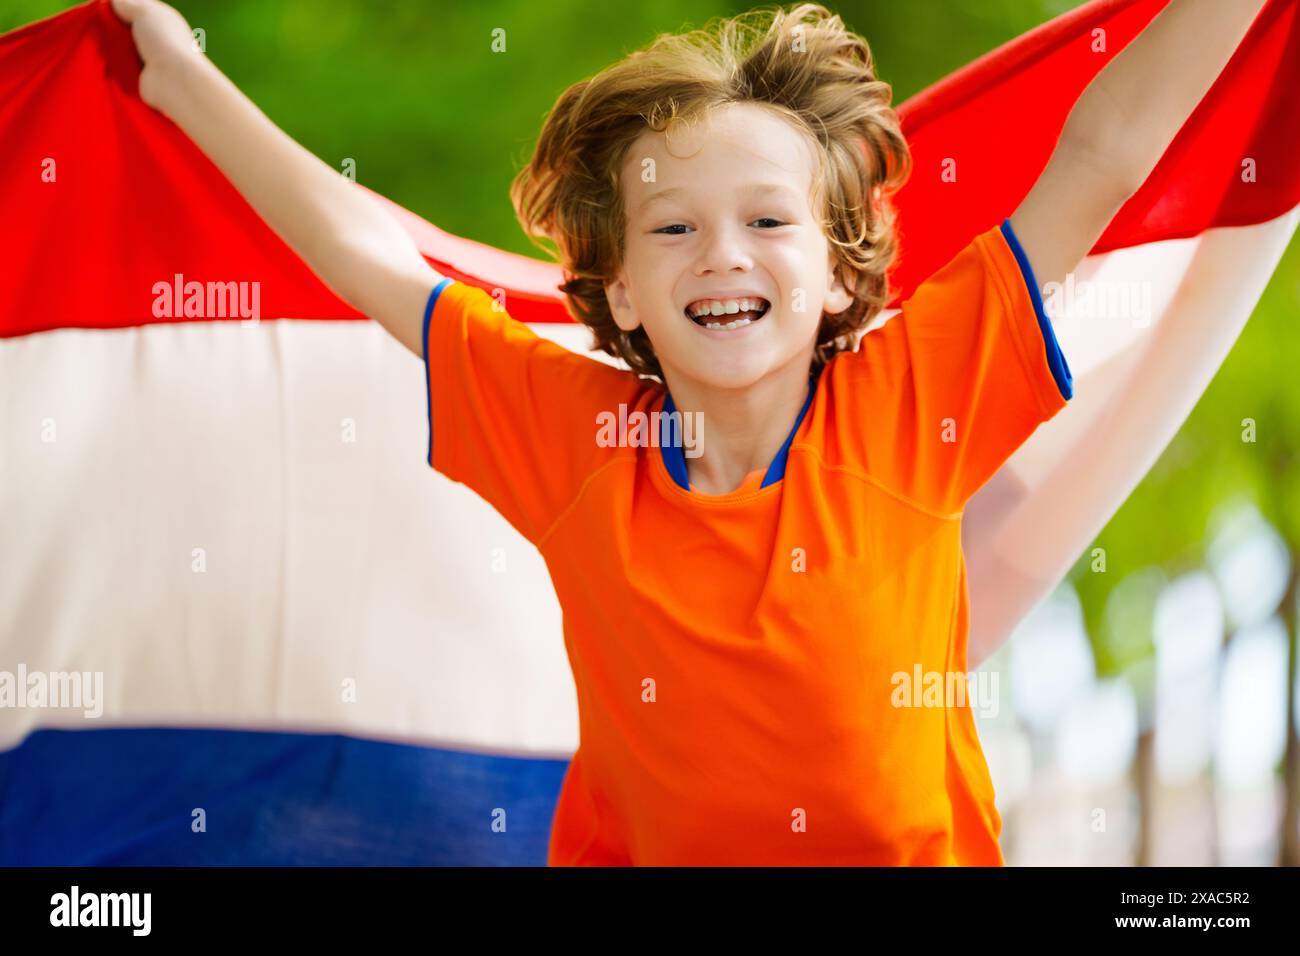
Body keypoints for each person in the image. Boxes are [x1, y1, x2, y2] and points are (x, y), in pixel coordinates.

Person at [110, 0, 1268, 864]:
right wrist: (182, 76)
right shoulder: (573, 439)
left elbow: (1105, 150)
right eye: (672, 227)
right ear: (618, 290)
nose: (721, 252)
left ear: (835, 273)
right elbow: (373, 264)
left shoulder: (918, 395)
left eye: (768, 219)